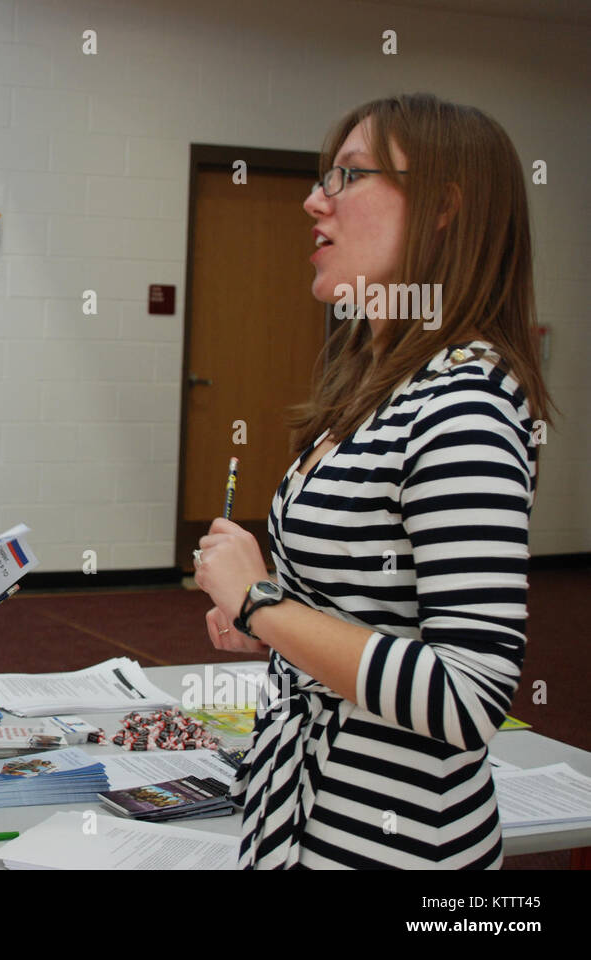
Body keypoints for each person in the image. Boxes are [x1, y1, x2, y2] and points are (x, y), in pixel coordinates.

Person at [193, 93, 551, 869]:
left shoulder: (462, 405)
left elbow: (467, 697)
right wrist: (274, 623)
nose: (313, 200)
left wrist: (265, 604)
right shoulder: (387, 386)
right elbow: (374, 615)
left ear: (444, 208)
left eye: (349, 177)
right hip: (314, 816)